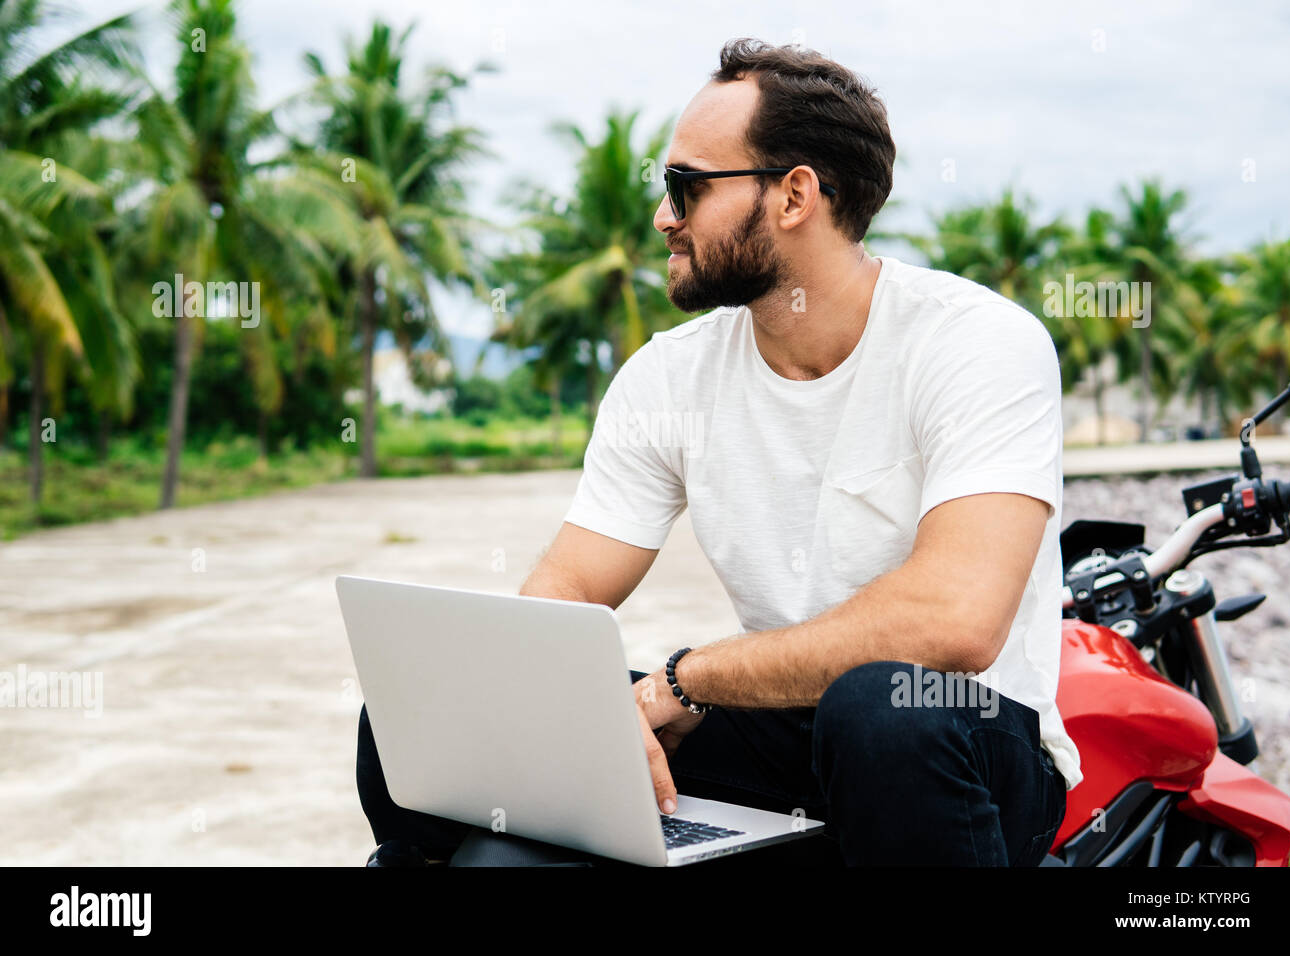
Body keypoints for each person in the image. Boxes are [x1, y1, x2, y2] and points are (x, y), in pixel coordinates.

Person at [358, 36, 1079, 867]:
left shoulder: (976, 343)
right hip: (780, 732)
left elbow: (953, 622)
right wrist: (584, 709)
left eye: (685, 188)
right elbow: (564, 590)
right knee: (420, 713)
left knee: (879, 712)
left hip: (970, 739)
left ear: (795, 196)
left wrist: (683, 681)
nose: (664, 217)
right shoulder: (670, 374)